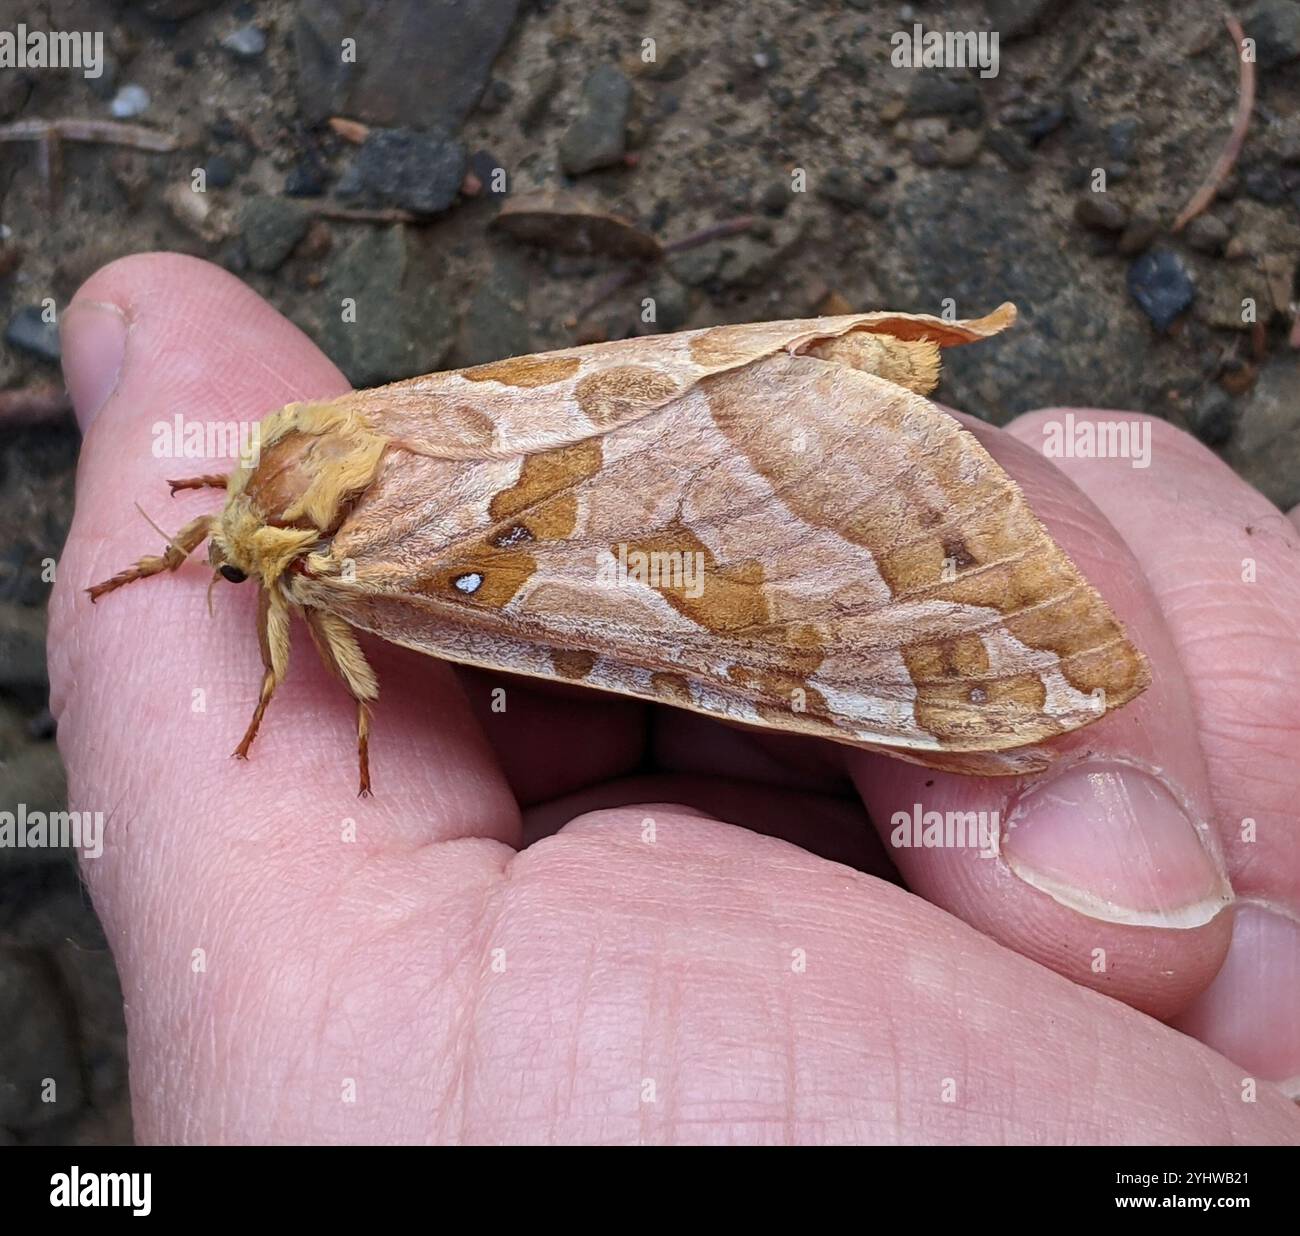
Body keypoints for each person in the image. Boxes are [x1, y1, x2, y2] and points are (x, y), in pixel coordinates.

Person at [49, 253, 1299, 1143]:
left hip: (678, 486)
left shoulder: (341, 574)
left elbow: (300, 654)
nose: (216, 552)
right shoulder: (329, 427)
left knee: (719, 616)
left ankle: (937, 576)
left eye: (226, 548)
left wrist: (303, 703)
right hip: (655, 403)